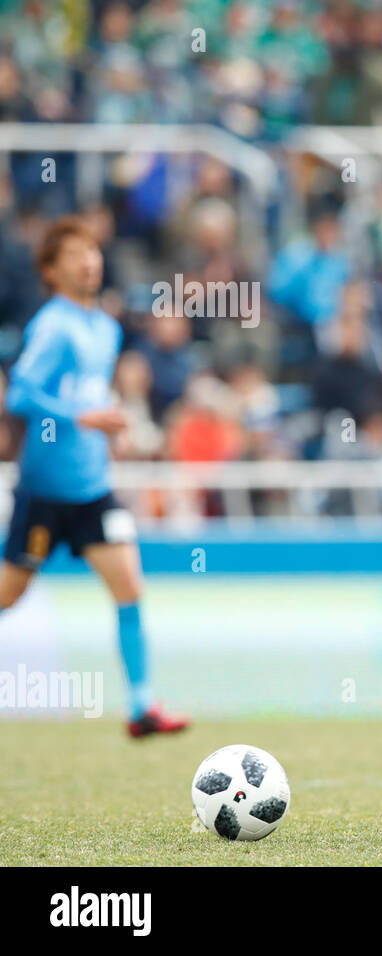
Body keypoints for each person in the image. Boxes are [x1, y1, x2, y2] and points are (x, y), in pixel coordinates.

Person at [3, 216, 188, 737]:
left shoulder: (104, 328)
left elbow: (84, 395)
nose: (89, 260)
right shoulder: (53, 324)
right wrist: (82, 417)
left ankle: (141, 707)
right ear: (50, 271)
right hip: (44, 494)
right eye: (74, 254)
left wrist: (106, 425)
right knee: (9, 596)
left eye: (92, 250)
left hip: (93, 490)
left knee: (129, 585)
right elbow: (20, 394)